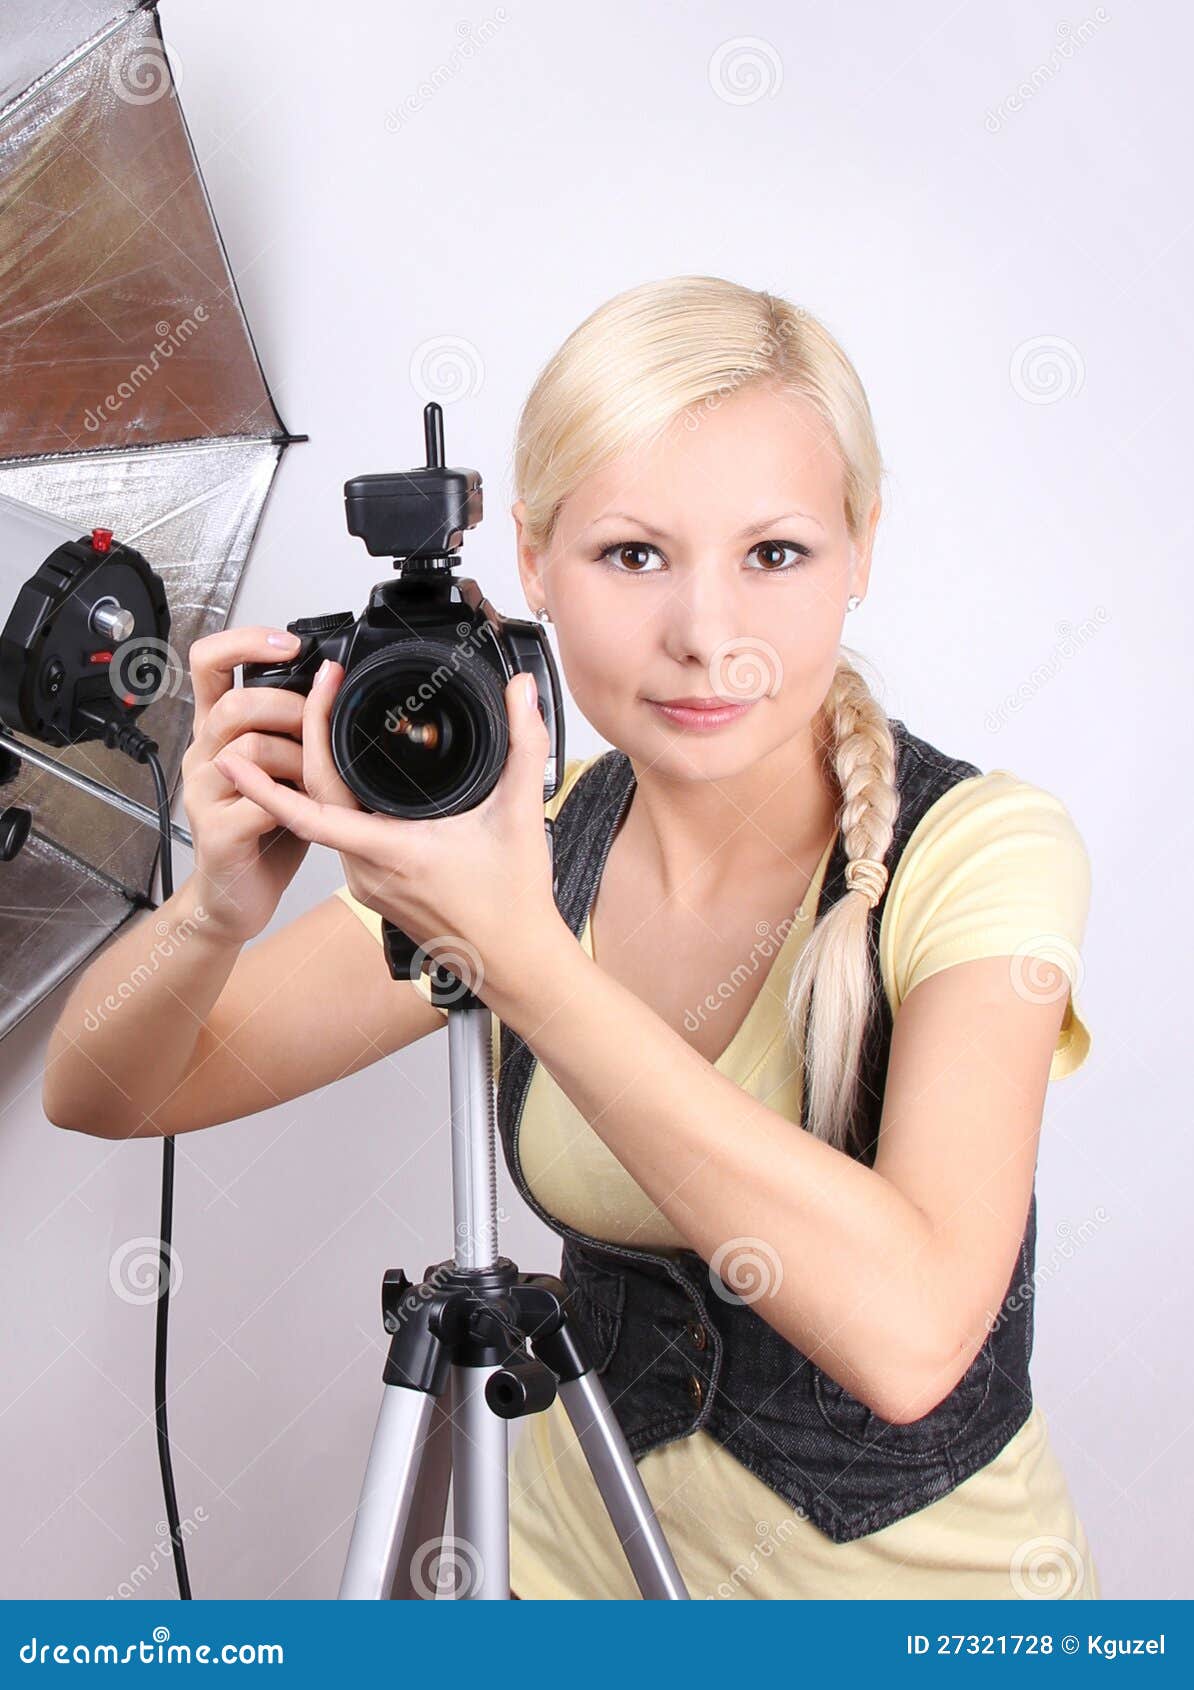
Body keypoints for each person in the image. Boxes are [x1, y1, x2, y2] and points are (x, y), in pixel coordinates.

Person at [44, 275, 1099, 1600]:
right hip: (568, 1588)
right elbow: (103, 1093)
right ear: (532, 565)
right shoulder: (520, 838)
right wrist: (214, 909)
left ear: (861, 551)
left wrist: (520, 960)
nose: (706, 635)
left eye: (773, 554)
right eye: (632, 554)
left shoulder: (979, 846)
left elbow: (911, 1336)